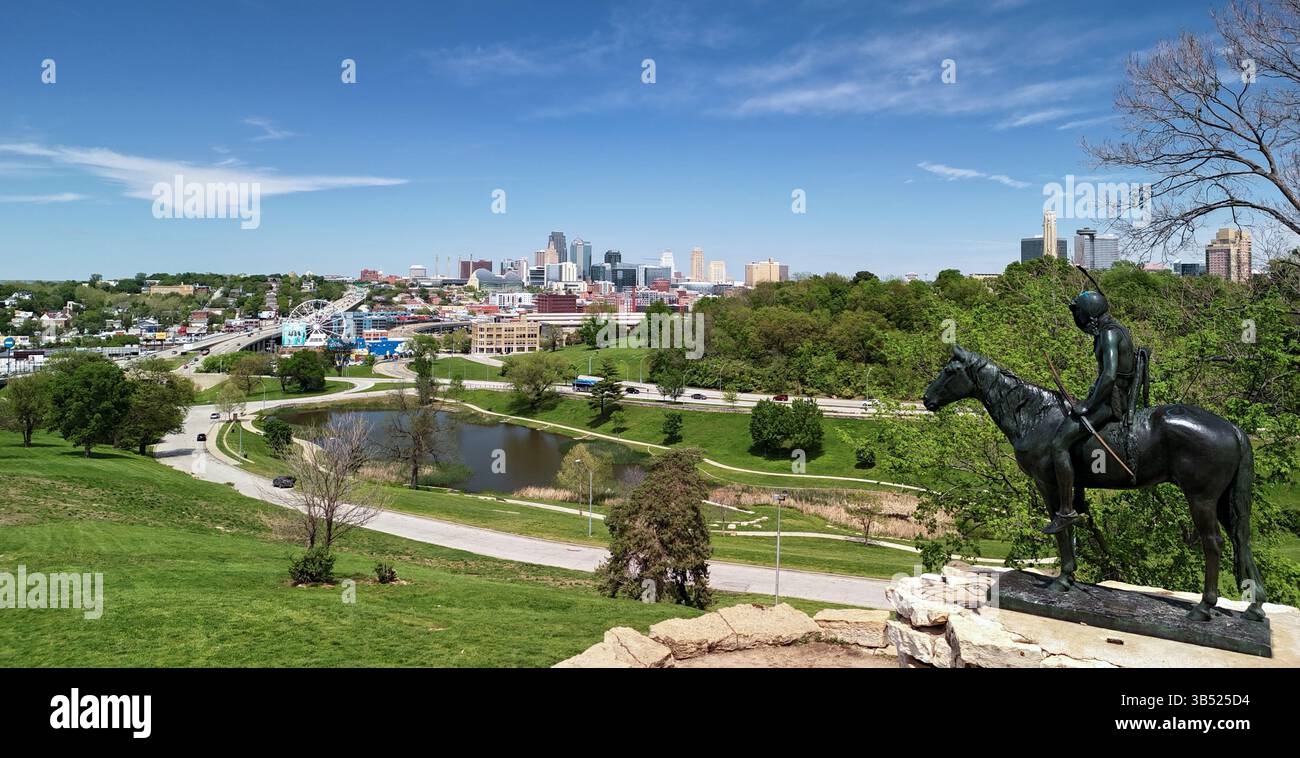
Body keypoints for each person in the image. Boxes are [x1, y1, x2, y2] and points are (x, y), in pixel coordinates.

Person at [1044, 290, 1136, 535]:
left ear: (1091, 314)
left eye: (1082, 314)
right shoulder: (1116, 330)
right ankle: (1078, 497)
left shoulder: (1108, 334)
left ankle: (1066, 511)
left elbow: (1109, 375)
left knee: (1059, 444)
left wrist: (1088, 405)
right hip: (1111, 396)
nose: (1080, 320)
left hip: (1111, 402)